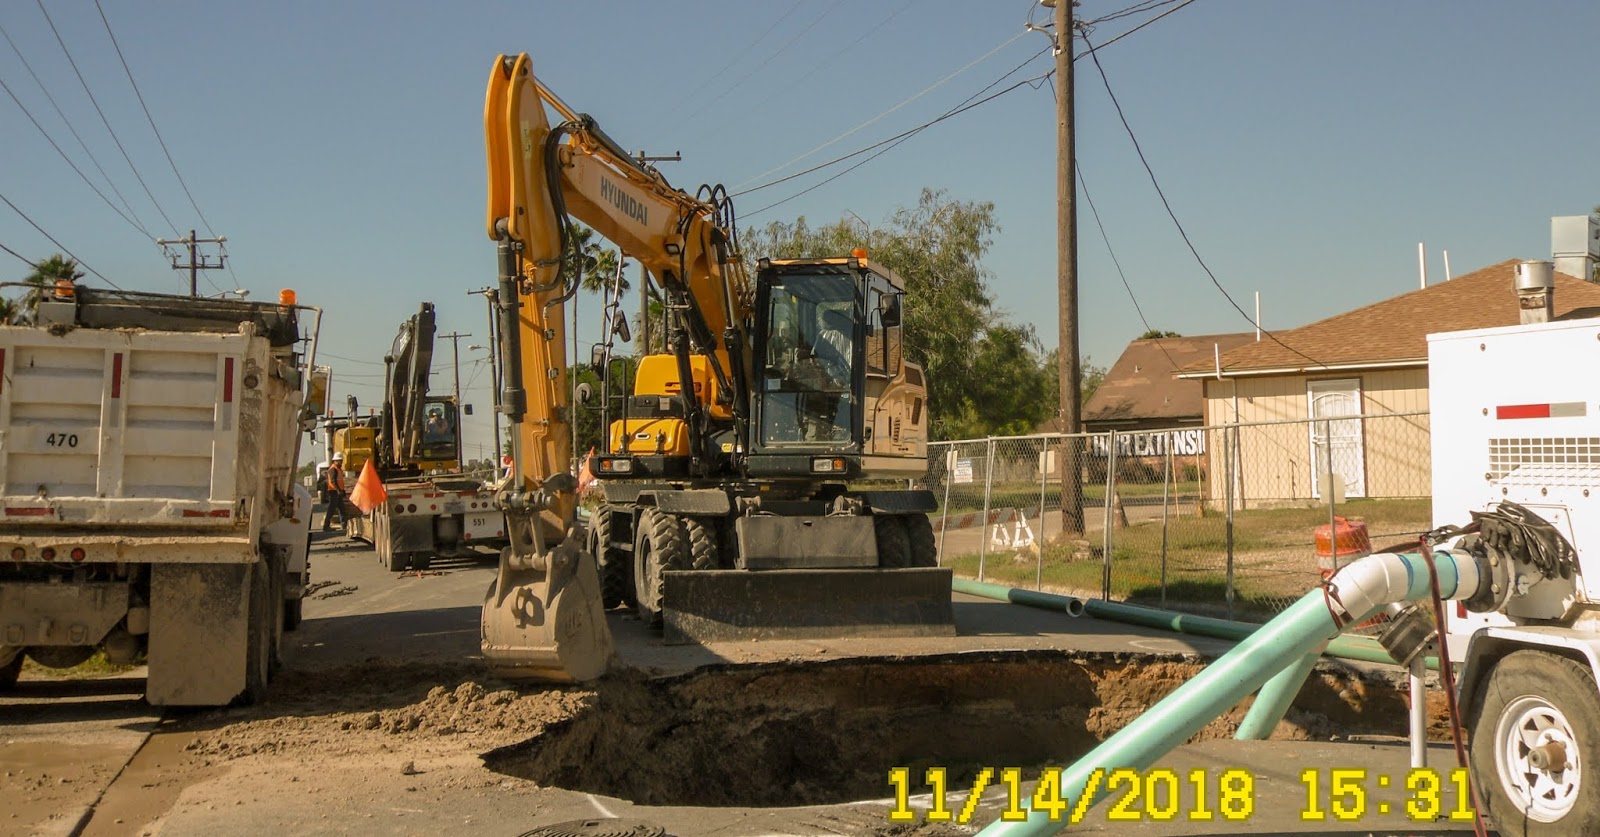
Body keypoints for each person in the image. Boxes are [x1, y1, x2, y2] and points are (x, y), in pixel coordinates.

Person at [322, 454, 347, 532]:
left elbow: (340, 481)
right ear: (335, 461)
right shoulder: (333, 469)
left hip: (337, 492)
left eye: (341, 460)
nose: (341, 462)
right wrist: (338, 490)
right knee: (331, 510)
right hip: (334, 492)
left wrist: (342, 491)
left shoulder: (338, 469)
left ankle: (344, 526)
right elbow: (333, 481)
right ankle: (326, 526)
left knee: (342, 509)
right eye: (340, 460)